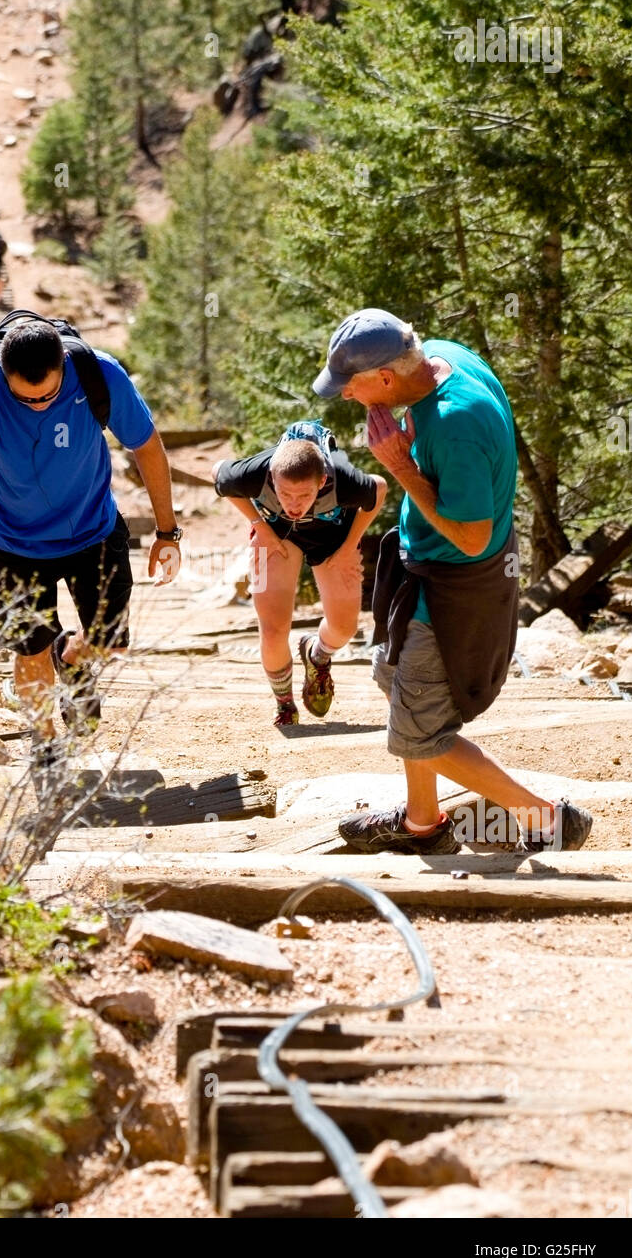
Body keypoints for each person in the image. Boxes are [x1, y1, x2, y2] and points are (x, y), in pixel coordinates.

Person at [312, 307, 593, 853]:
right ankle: (423, 824)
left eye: (352, 385)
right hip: (424, 565)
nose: (346, 396)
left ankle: (547, 821)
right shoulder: (440, 356)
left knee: (421, 733)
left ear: (388, 378)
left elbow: (471, 537)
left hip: (456, 583)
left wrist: (399, 467)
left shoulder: (457, 424)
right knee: (395, 684)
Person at [0, 318, 183, 749]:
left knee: (110, 642)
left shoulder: (98, 374)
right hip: (11, 541)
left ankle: (70, 653)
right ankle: (44, 741)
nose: (38, 406)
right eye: (24, 398)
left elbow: (146, 446)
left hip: (93, 529)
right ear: (3, 374)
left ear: (63, 363)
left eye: (48, 395)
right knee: (28, 649)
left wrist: (167, 531)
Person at [213, 423, 386, 726]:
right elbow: (218, 473)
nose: (293, 504)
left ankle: (317, 655)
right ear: (271, 479)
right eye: (284, 492)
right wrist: (262, 528)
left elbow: (379, 488)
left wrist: (348, 547)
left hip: (332, 537)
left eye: (303, 494)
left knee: (344, 628)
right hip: (277, 536)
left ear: (321, 482)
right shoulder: (256, 472)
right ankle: (284, 705)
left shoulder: (343, 480)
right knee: (272, 627)